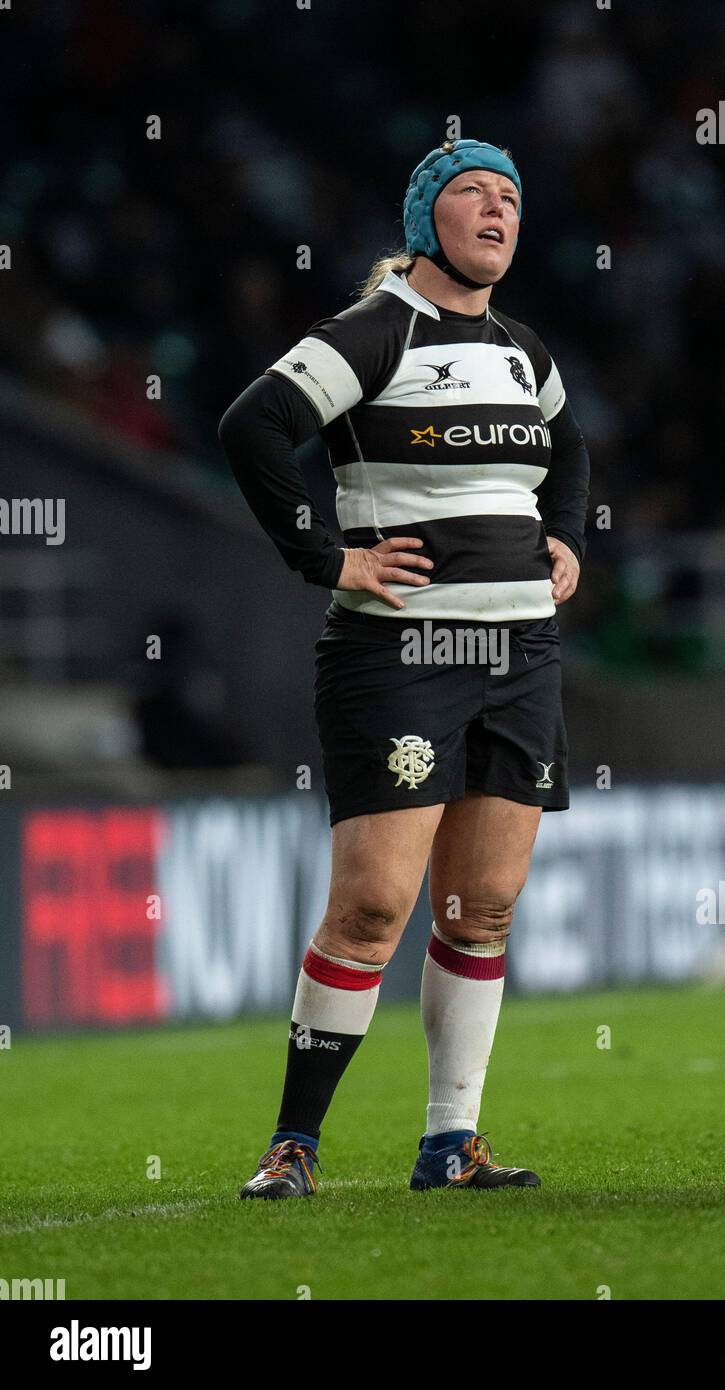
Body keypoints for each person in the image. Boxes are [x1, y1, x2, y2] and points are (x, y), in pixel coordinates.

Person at [218, 138, 590, 1197]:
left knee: (481, 908)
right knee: (377, 905)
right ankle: (293, 1143)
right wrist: (325, 555)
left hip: (520, 650)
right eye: (473, 192)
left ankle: (448, 1142)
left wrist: (566, 536)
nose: (498, 209)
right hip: (401, 655)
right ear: (427, 216)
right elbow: (255, 423)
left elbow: (570, 453)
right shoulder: (376, 333)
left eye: (512, 195)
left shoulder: (524, 351)